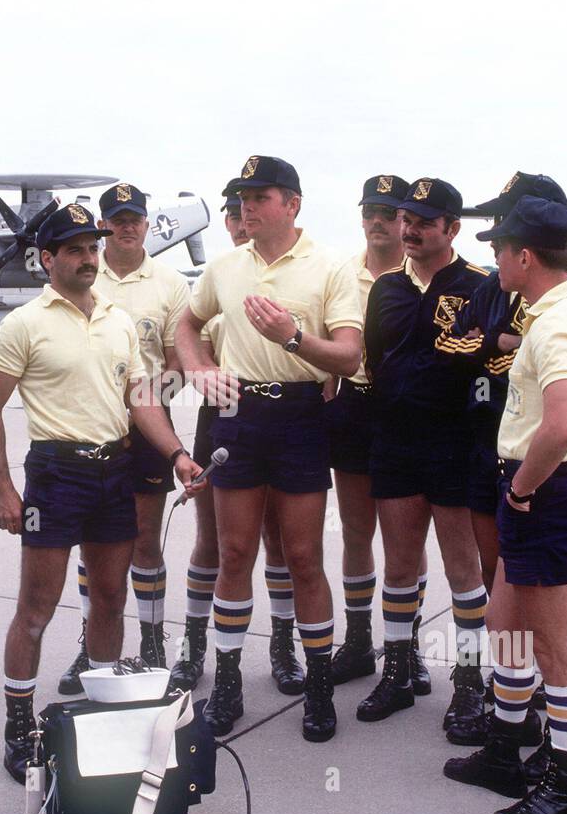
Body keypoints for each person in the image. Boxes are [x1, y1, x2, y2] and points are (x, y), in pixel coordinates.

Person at [0, 203, 203, 783]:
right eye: (73, 249)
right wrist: (4, 488)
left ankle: (103, 716)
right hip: (54, 474)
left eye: (92, 247)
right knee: (36, 609)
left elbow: (141, 401)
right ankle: (19, 726)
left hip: (114, 470)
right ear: (47, 258)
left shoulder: (118, 321)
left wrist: (177, 454)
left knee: (108, 598)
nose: (87, 258)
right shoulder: (23, 323)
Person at [175, 155, 362, 742]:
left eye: (260, 197)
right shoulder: (227, 267)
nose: (247, 208)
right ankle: (228, 682)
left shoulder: (330, 267)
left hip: (301, 413)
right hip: (238, 411)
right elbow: (187, 323)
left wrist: (293, 336)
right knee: (234, 553)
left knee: (302, 557)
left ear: (292, 204)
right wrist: (200, 368)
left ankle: (318, 685)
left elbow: (350, 357)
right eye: (242, 198)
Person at [435, 171, 567, 755]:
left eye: (500, 248)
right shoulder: (544, 314)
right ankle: (506, 750)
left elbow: (561, 424)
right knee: (505, 625)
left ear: (526, 255)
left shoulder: (558, 322)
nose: (494, 259)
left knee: (554, 646)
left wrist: (521, 491)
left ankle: (565, 783)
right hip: (531, 484)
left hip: (544, 488)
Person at [362, 178, 488, 726]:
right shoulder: (385, 287)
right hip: (395, 441)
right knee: (400, 566)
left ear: (452, 229)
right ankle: (397, 672)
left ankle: (469, 682)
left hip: (453, 443)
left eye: (424, 222)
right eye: (405, 218)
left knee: (464, 570)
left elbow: (488, 363)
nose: (409, 229)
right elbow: (374, 359)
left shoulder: (481, 285)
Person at [56, 183, 191, 690]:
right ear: (104, 225)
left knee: (144, 542)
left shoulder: (171, 284)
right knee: (93, 545)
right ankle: (92, 648)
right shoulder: (85, 277)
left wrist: (150, 404)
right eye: (117, 218)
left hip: (150, 429)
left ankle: (154, 645)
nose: (127, 225)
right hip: (91, 427)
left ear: (146, 222)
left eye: (135, 217)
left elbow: (178, 360)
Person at [172, 184, 304, 695]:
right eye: (230, 213)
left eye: (242, 211)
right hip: (221, 415)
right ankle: (194, 647)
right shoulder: (218, 277)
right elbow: (188, 335)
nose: (237, 221)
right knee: (215, 543)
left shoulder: (274, 275)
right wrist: (199, 369)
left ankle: (283, 647)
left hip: (277, 418)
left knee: (280, 541)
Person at [327, 175, 433, 696]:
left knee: (406, 539)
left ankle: (406, 647)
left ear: (404, 222)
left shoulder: (422, 277)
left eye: (388, 213)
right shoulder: (340, 274)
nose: (377, 220)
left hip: (406, 412)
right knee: (354, 530)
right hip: (355, 404)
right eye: (369, 209)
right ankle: (358, 639)